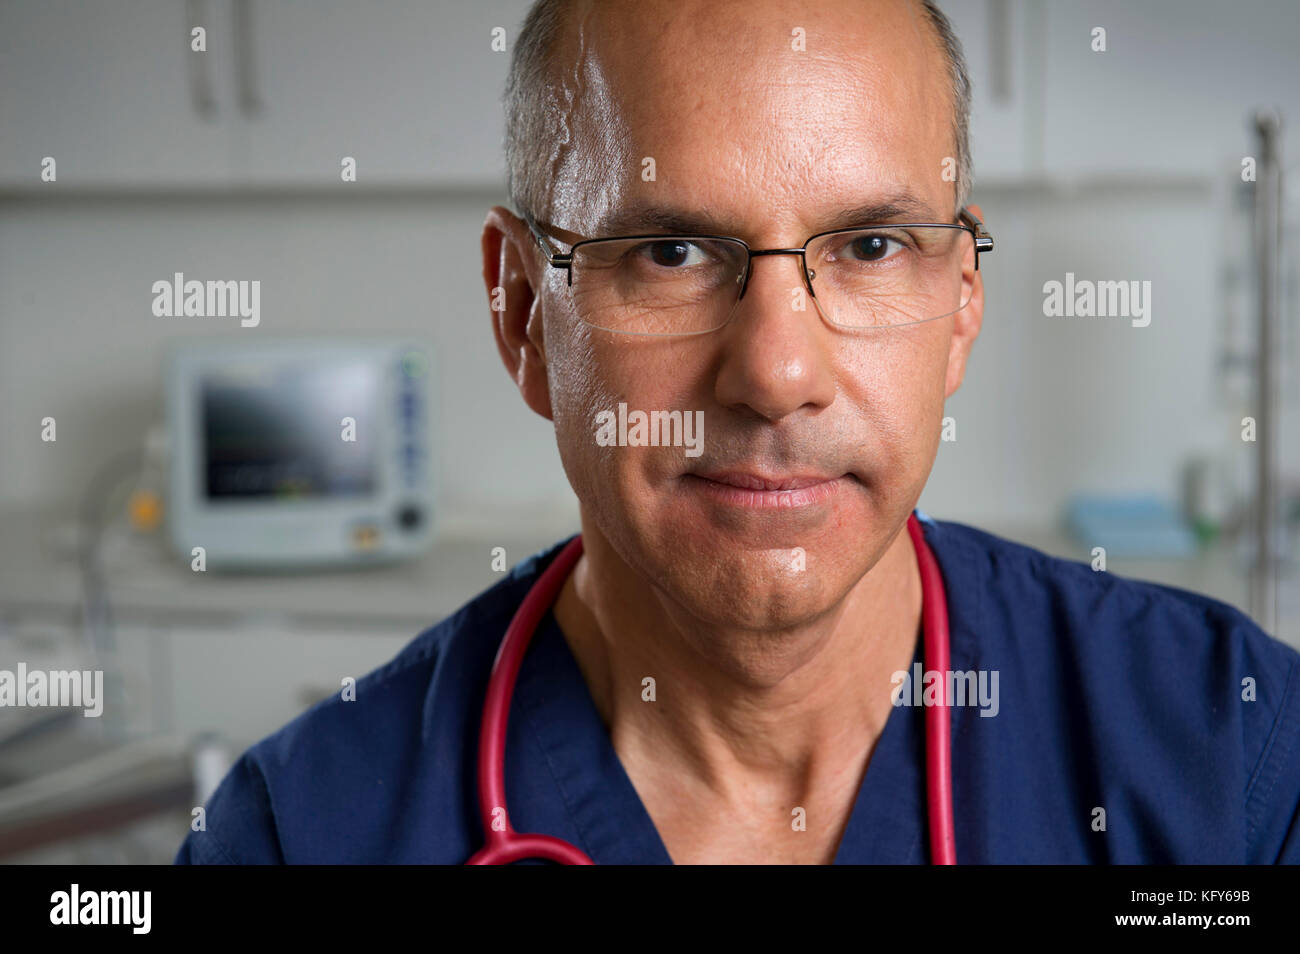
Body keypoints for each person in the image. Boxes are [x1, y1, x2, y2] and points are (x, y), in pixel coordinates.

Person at [175, 0, 1300, 864]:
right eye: (670, 252)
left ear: (962, 305)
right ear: (523, 313)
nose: (774, 373)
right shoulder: (298, 836)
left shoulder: (1232, 756)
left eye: (868, 247)